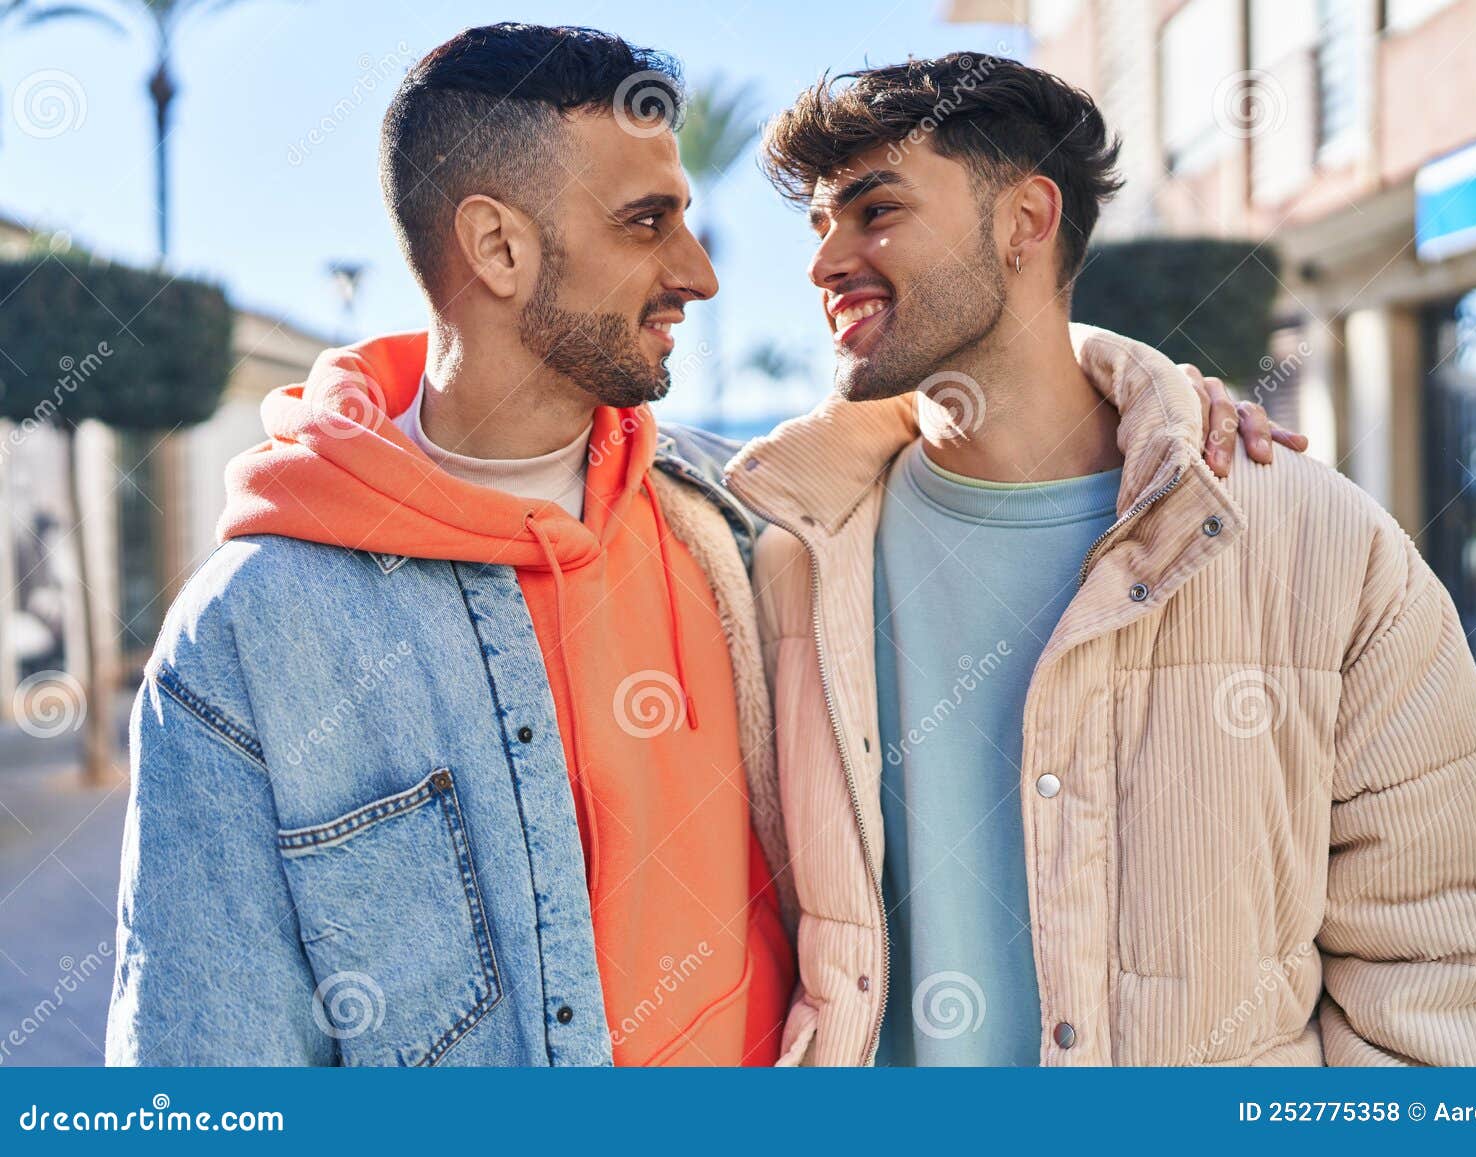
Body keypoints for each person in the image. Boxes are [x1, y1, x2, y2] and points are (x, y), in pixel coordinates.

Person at [106, 25, 1287, 1068]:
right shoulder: (253, 635)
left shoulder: (755, 516)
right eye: (647, 223)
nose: (702, 273)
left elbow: (1002, 420)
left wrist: (1165, 413)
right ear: (498, 249)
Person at [730, 54, 1476, 1067]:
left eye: (875, 211)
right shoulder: (788, 555)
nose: (825, 263)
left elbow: (1453, 954)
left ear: (1026, 219)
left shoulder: (1311, 539)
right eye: (819, 226)